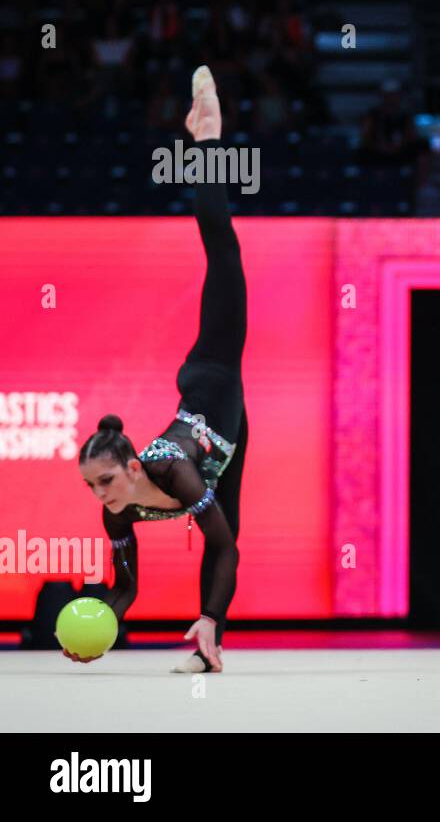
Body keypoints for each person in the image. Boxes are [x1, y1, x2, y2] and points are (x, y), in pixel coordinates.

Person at [76, 66, 248, 674]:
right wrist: (96, 621)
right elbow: (127, 592)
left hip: (214, 372)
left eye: (105, 482)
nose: (102, 497)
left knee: (220, 244)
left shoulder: (170, 471)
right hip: (232, 431)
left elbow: (222, 545)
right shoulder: (116, 511)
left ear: (128, 465)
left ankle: (207, 139)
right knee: (229, 524)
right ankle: (211, 648)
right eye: (94, 488)